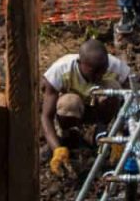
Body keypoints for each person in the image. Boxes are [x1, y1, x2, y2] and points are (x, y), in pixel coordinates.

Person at [40, 37, 135, 174]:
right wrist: (56, 149)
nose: (98, 76)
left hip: (100, 110)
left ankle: (102, 130)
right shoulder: (60, 71)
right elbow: (46, 116)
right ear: (80, 63)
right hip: (74, 111)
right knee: (68, 103)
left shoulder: (116, 68)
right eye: (94, 72)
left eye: (102, 71)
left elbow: (132, 101)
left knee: (113, 89)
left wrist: (120, 134)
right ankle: (70, 137)